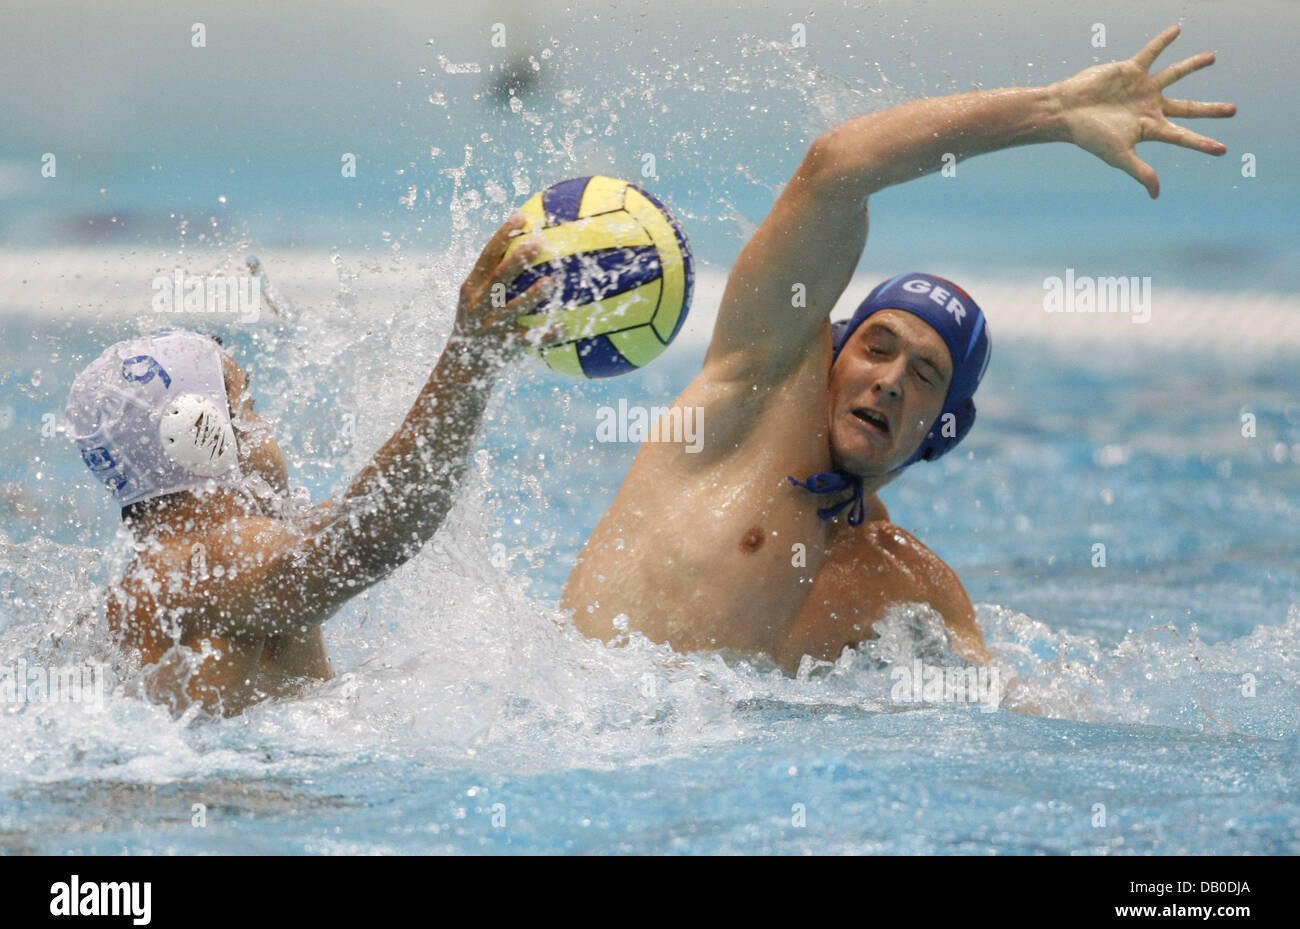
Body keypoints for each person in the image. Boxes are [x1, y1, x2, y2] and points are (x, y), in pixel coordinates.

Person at [562, 25, 1235, 670]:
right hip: (569, 725)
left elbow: (1003, 707)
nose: (888, 381)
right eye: (876, 348)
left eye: (924, 373)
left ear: (945, 427)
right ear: (833, 353)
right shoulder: (753, 388)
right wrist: (1053, 111)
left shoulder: (905, 583)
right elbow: (836, 168)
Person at [65, 216, 555, 716]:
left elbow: (352, 518)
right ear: (201, 435)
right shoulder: (215, 558)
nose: (268, 427)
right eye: (250, 408)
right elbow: (368, 537)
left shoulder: (150, 585)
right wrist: (466, 361)